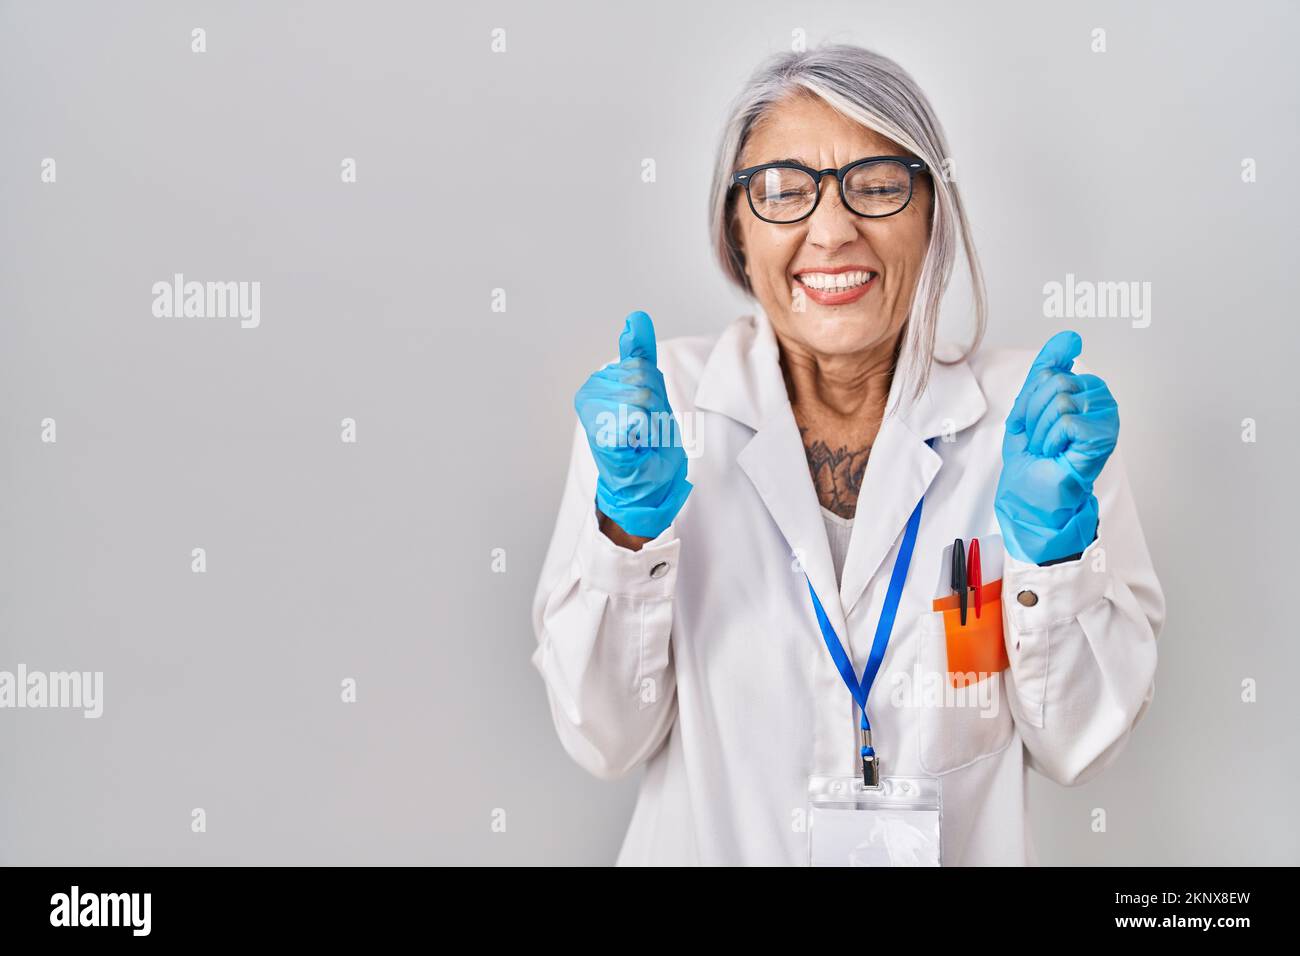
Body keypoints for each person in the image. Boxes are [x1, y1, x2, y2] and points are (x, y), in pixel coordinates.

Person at [531, 44, 1164, 866]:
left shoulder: (1033, 429)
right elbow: (603, 736)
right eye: (785, 192)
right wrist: (624, 537)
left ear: (933, 214)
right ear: (735, 229)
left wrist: (1060, 559)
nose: (831, 232)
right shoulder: (659, 417)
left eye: (876, 185)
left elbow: (1083, 747)